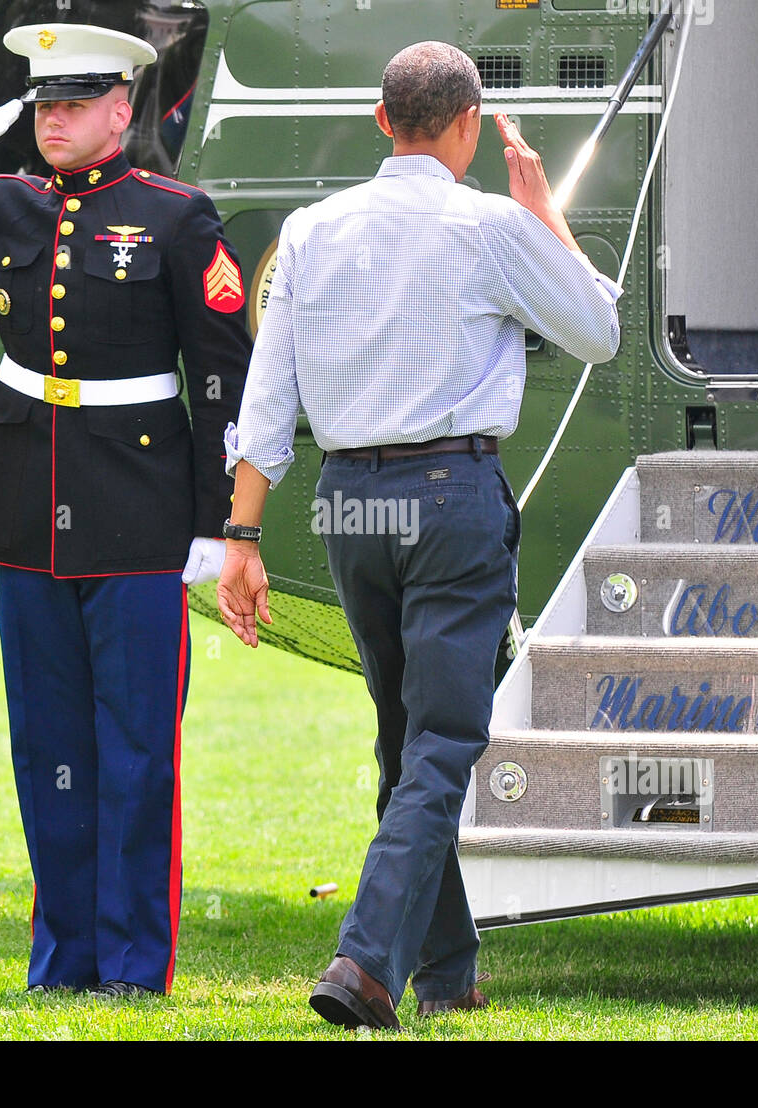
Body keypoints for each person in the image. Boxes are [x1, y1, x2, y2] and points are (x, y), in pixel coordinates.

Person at [0, 23, 251, 996]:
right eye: (42, 102)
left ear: (121, 107)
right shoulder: (3, 205)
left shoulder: (177, 217)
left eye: (72, 102)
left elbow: (221, 381)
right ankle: (63, 961)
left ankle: (132, 966)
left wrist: (211, 524)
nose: (53, 119)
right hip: (24, 503)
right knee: (48, 747)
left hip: (142, 514)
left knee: (138, 750)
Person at [217, 41, 622, 1030]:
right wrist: (545, 215)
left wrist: (240, 534)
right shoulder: (489, 224)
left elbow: (266, 397)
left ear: (380, 120)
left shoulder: (311, 230)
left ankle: (445, 967)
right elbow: (599, 331)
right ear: (468, 125)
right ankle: (364, 960)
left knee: (405, 737)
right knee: (442, 741)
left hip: (350, 503)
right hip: (451, 499)